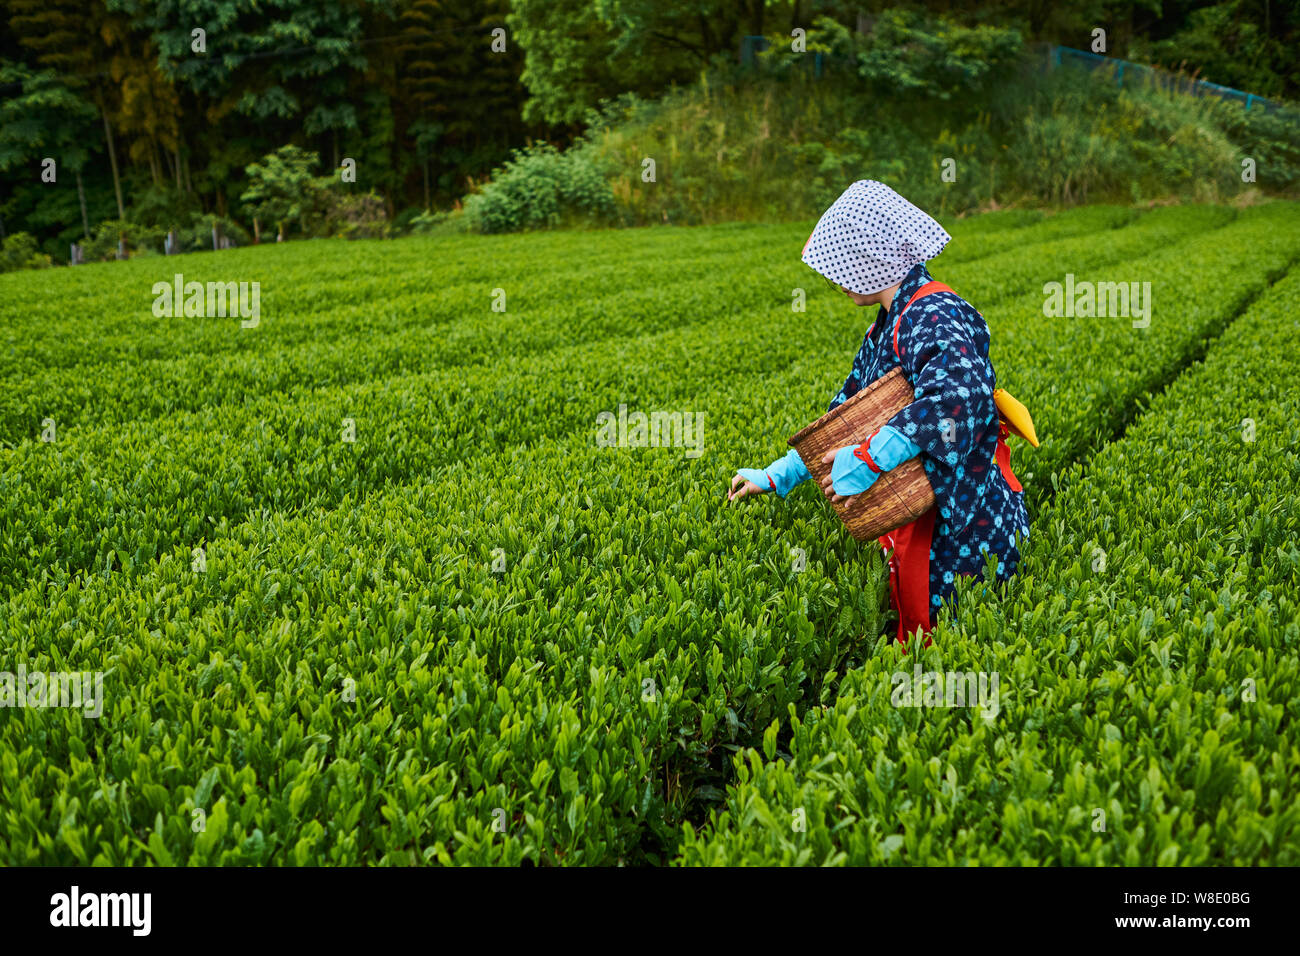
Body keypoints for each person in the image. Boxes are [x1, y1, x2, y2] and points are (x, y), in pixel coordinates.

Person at [728, 180, 1031, 645]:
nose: (836, 281)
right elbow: (849, 412)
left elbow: (958, 401)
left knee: (954, 641)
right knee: (915, 633)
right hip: (923, 508)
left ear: (871, 259)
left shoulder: (933, 313)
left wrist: (872, 457)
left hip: (964, 525)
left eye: (841, 267)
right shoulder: (889, 323)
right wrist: (780, 474)